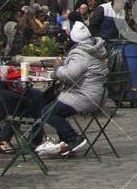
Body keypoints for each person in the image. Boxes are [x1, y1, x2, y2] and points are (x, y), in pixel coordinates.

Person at [28, 19, 109, 158]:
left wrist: (58, 67)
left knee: (48, 111)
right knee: (50, 102)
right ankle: (62, 141)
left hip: (84, 97)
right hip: (95, 95)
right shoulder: (94, 50)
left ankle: (72, 139)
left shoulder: (81, 54)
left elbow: (70, 76)